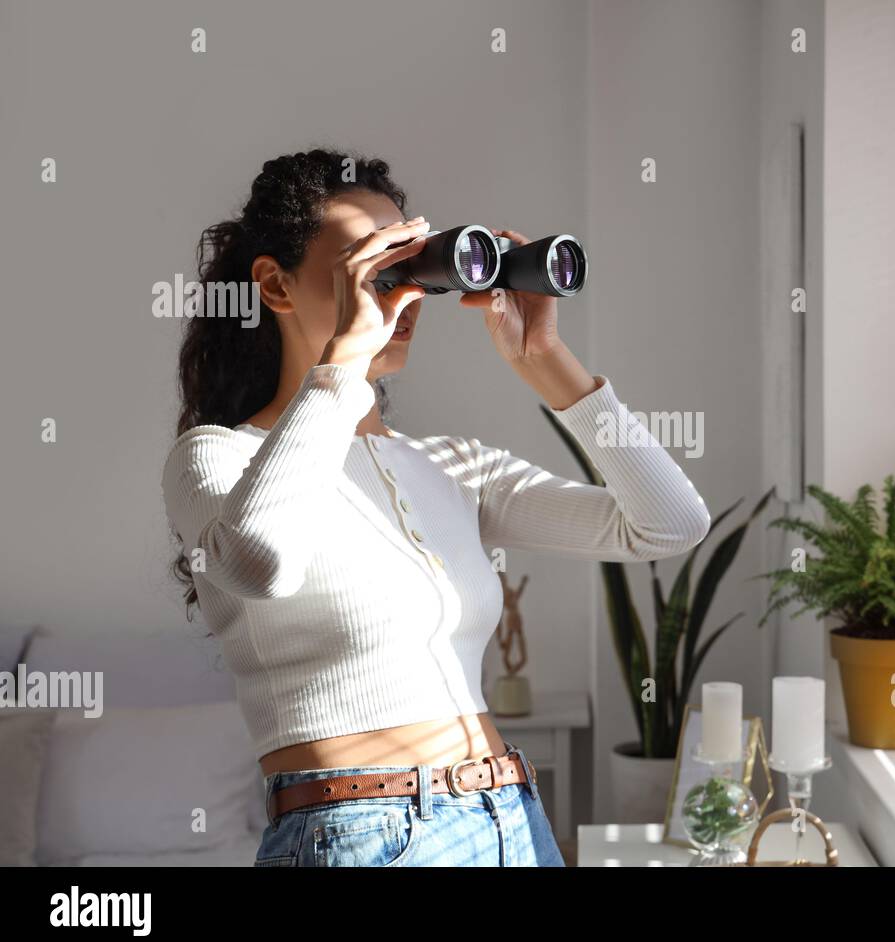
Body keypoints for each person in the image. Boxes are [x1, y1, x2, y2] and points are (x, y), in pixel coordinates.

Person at [161, 149, 711, 866]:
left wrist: (544, 358)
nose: (404, 297)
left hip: (513, 816)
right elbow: (262, 559)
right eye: (377, 269)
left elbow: (669, 523)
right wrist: (344, 360)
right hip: (363, 830)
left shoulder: (450, 466)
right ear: (275, 284)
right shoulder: (215, 458)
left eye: (413, 271)